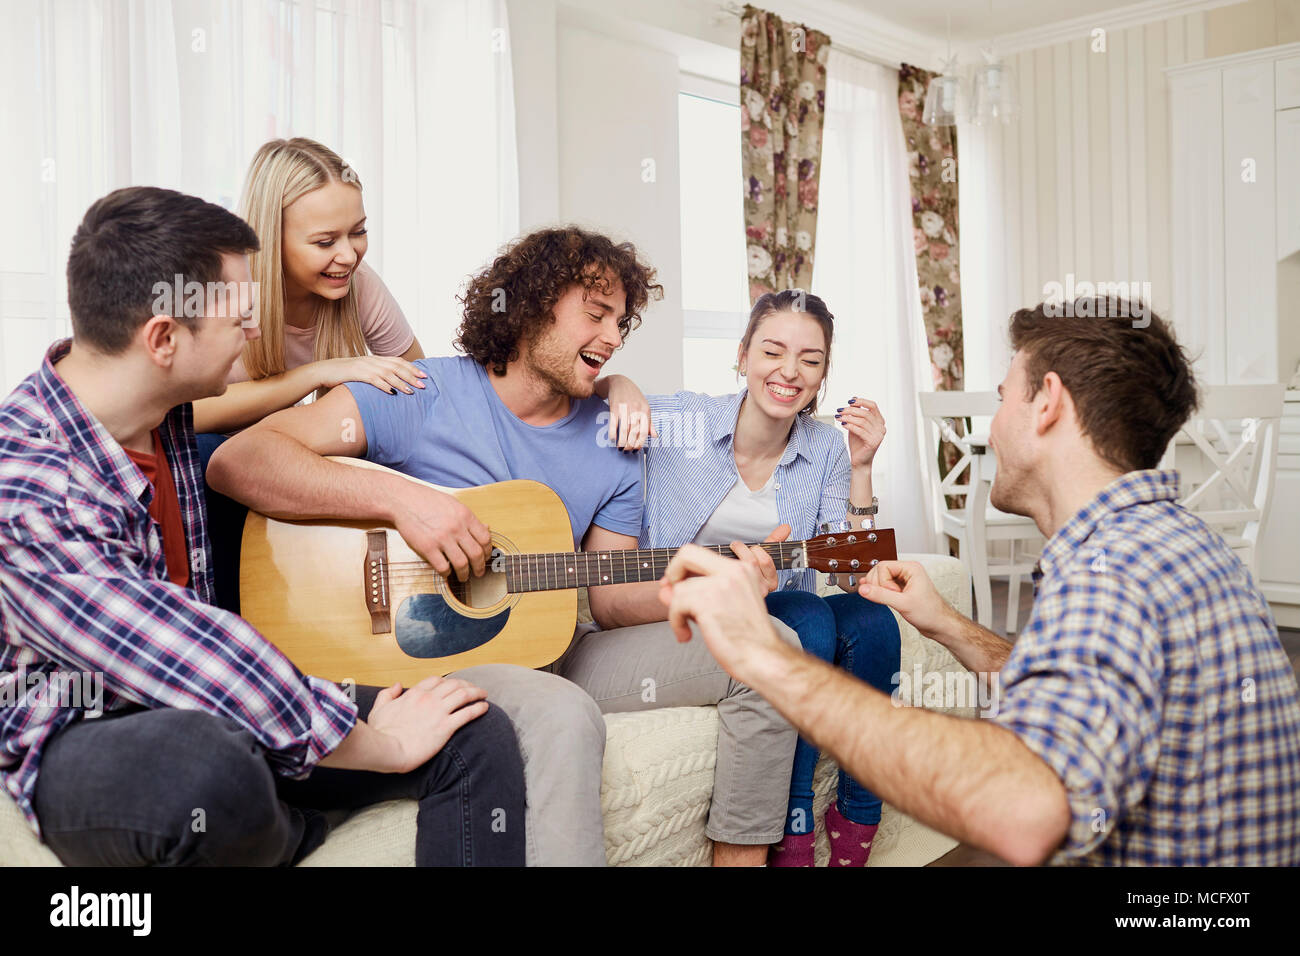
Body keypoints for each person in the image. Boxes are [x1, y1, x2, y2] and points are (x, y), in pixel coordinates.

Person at [208, 225, 805, 866]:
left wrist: (712, 586)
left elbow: (610, 601)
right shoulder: (422, 394)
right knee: (563, 714)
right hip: (428, 657)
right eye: (596, 314)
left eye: (621, 323)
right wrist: (406, 503)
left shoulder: (613, 440)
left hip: (556, 647)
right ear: (529, 306)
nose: (612, 338)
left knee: (773, 644)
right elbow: (239, 461)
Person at [653, 299, 1300, 866]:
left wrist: (768, 657)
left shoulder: (1112, 574)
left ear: (1047, 403)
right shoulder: (1172, 546)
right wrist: (947, 624)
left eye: (1000, 399)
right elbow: (1082, 696)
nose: (991, 428)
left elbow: (1024, 811)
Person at [0, 186, 525, 866]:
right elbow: (186, 653)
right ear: (163, 339)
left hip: (212, 707)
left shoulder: (160, 414)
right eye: (239, 317)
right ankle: (287, 827)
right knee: (210, 769)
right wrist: (380, 744)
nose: (255, 333)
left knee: (470, 728)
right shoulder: (29, 482)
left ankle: (275, 801)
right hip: (86, 731)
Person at [602, 290, 901, 866]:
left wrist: (862, 466)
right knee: (808, 616)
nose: (790, 372)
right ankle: (793, 824)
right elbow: (585, 394)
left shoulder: (826, 447)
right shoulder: (683, 422)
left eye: (810, 360)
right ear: (742, 355)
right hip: (699, 611)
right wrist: (619, 383)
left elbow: (855, 572)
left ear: (823, 374)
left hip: (778, 603)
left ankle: (858, 817)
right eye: (772, 351)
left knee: (871, 617)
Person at [195, 138, 428, 612]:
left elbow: (419, 385)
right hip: (217, 465)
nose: (349, 255)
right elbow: (187, 413)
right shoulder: (218, 287)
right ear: (269, 238)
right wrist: (317, 373)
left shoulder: (359, 284)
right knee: (209, 454)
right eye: (325, 242)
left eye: (358, 232)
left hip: (288, 456)